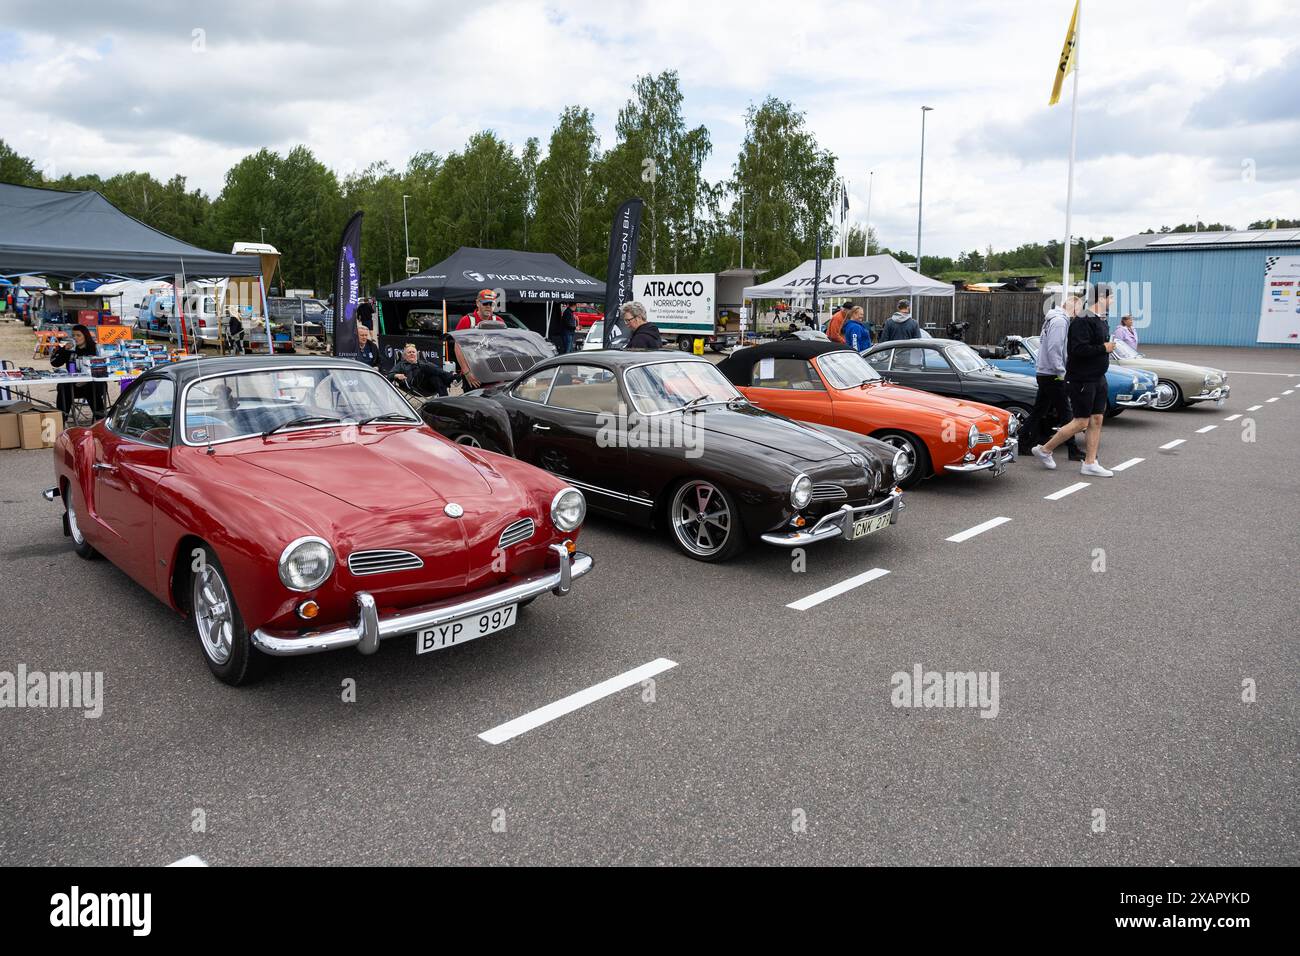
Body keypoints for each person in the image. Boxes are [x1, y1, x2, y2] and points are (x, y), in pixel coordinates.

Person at [1031, 286, 1116, 476]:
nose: (1113, 301)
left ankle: (1090, 463)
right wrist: (1104, 348)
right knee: (1080, 422)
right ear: (1101, 298)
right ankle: (1044, 450)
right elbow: (1078, 349)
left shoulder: (1101, 321)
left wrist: (1105, 348)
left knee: (1097, 419)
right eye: (1111, 298)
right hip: (1082, 379)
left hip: (1098, 378)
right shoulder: (1082, 321)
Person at [1022, 303, 1084, 461]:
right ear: (1075, 308)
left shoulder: (1052, 320)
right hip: (1053, 374)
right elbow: (1054, 348)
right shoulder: (1060, 322)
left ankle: (1022, 442)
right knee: (1066, 413)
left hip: (1045, 372)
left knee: (1039, 411)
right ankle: (1073, 450)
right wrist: (1061, 372)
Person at [50, 324, 108, 418]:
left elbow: (103, 367)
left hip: (92, 384)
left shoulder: (95, 348)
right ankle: (61, 419)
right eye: (73, 335)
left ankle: (100, 419)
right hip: (73, 385)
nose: (75, 338)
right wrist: (63, 350)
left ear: (85, 336)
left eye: (78, 335)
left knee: (93, 387)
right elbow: (55, 363)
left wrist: (84, 381)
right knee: (63, 387)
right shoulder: (70, 349)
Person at [388, 343, 453, 397]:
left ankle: (444, 399)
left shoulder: (422, 362)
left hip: (429, 387)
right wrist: (396, 375)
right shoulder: (401, 364)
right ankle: (450, 377)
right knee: (426, 367)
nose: (411, 353)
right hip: (414, 386)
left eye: (413, 352)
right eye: (409, 352)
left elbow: (438, 369)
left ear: (416, 354)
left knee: (435, 377)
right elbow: (389, 375)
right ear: (404, 356)